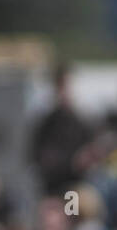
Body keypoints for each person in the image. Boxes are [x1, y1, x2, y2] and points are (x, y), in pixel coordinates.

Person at [28, 65, 95, 194]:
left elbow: (91, 148)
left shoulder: (82, 119)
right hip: (52, 183)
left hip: (75, 184)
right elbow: (36, 152)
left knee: (73, 210)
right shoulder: (46, 120)